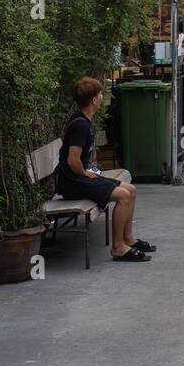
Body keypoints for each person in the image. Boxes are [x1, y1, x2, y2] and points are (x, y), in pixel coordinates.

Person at [56, 77, 151, 263]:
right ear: (93, 100)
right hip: (72, 182)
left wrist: (88, 172)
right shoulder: (81, 125)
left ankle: (128, 238)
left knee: (131, 190)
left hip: (79, 177)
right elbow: (72, 159)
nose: (102, 97)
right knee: (123, 196)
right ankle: (118, 248)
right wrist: (85, 173)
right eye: (100, 94)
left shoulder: (84, 120)